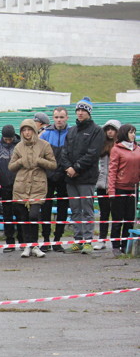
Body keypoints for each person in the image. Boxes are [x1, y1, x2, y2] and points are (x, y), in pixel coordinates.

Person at [59, 98, 104, 254]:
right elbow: (64, 153)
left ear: (89, 112)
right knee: (75, 210)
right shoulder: (71, 131)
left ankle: (87, 240)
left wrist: (76, 168)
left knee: (87, 210)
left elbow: (92, 154)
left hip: (86, 178)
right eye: (78, 110)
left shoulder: (96, 131)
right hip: (71, 178)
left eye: (83, 110)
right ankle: (78, 240)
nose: (80, 112)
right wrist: (68, 168)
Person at [9, 119, 57, 258]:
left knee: (34, 215)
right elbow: (11, 167)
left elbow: (53, 164)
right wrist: (20, 161)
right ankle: (27, 245)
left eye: (29, 129)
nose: (27, 132)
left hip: (37, 184)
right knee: (23, 216)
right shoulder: (18, 147)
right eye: (24, 130)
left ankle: (35, 244)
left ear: (34, 130)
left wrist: (40, 161)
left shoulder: (44, 145)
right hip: (21, 184)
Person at [39, 108, 70, 251]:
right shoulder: (45, 134)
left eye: (62, 117)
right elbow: (39, 155)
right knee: (46, 208)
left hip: (65, 176)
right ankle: (46, 239)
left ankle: (58, 239)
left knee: (63, 208)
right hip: (48, 176)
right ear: (53, 118)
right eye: (56, 117)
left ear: (67, 118)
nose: (59, 120)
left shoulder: (72, 133)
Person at [108, 124, 139, 257]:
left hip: (133, 189)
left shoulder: (137, 149)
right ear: (124, 133)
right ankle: (115, 245)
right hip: (120, 188)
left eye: (134, 132)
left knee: (129, 219)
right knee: (117, 219)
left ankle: (126, 245)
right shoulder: (117, 149)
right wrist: (111, 190)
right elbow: (112, 170)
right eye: (131, 132)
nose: (133, 135)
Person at [0, 125, 23, 251]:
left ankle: (22, 240)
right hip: (4, 184)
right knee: (7, 215)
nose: (7, 141)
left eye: (9, 139)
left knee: (20, 213)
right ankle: (9, 241)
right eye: (5, 139)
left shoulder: (20, 145)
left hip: (18, 185)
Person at [94, 120, 121, 249]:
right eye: (108, 129)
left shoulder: (120, 146)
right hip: (101, 184)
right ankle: (102, 239)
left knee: (116, 213)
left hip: (115, 185)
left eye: (113, 129)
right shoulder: (100, 145)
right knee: (104, 213)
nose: (110, 132)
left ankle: (116, 240)